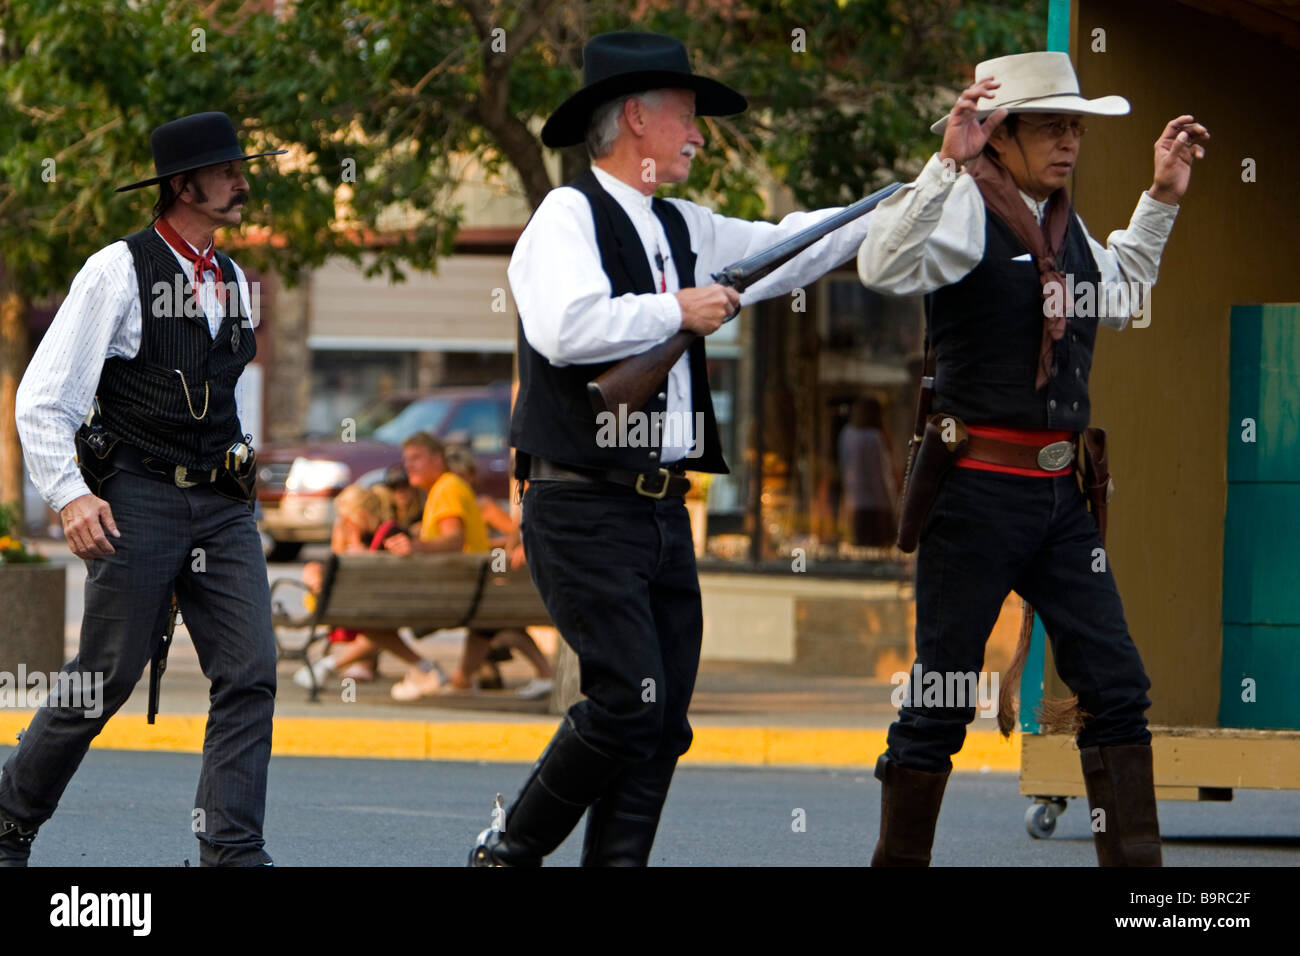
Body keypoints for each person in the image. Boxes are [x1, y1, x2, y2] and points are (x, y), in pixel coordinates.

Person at [471, 31, 880, 867]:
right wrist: (675, 310)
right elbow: (566, 327)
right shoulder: (566, 214)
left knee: (661, 724)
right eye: (687, 116)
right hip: (581, 500)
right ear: (633, 118)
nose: (699, 134)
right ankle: (507, 851)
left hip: (660, 511)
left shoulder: (683, 223)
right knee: (625, 703)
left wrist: (923, 186)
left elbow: (798, 246)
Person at [857, 51, 1208, 866]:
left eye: (1075, 126)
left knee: (1118, 692)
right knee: (941, 707)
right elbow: (881, 265)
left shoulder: (1064, 226)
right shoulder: (958, 209)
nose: (1069, 142)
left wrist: (1159, 198)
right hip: (973, 492)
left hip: (1060, 500)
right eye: (1050, 125)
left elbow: (1122, 294)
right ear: (998, 134)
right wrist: (944, 164)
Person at [1, 112, 287, 866]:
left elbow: (223, 393)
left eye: (238, 168)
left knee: (251, 670)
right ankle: (8, 817)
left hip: (222, 506)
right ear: (182, 185)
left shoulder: (230, 277)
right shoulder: (116, 270)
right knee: (104, 679)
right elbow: (42, 399)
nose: (241, 181)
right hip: (140, 496)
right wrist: (69, 495)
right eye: (226, 171)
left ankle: (231, 851)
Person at [324, 431, 490, 701]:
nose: (408, 465)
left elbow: (455, 539)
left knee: (365, 614)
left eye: (416, 458)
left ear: (438, 459)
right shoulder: (448, 487)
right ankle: (452, 677)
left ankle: (423, 668)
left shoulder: (446, 487)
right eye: (406, 459)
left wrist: (416, 546)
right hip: (474, 593)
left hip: (457, 594)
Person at [442, 445, 554, 700]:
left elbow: (513, 532)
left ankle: (467, 677)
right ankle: (472, 675)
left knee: (495, 622)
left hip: (504, 580)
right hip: (492, 579)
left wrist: (499, 547)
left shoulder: (482, 505)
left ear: (471, 475)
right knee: (490, 620)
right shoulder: (465, 504)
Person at [293, 483, 401, 687]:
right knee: (314, 570)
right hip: (371, 605)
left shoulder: (385, 535)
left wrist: (353, 542)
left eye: (346, 520)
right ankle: (346, 662)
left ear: (359, 515)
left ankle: (333, 663)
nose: (343, 524)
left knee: (372, 623)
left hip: (372, 608)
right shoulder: (383, 531)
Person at [837, 397, 898, 547]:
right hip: (876, 505)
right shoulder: (874, 437)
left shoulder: (847, 434)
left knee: (861, 547)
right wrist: (891, 505)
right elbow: (879, 477)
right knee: (876, 550)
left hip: (855, 503)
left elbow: (845, 469)